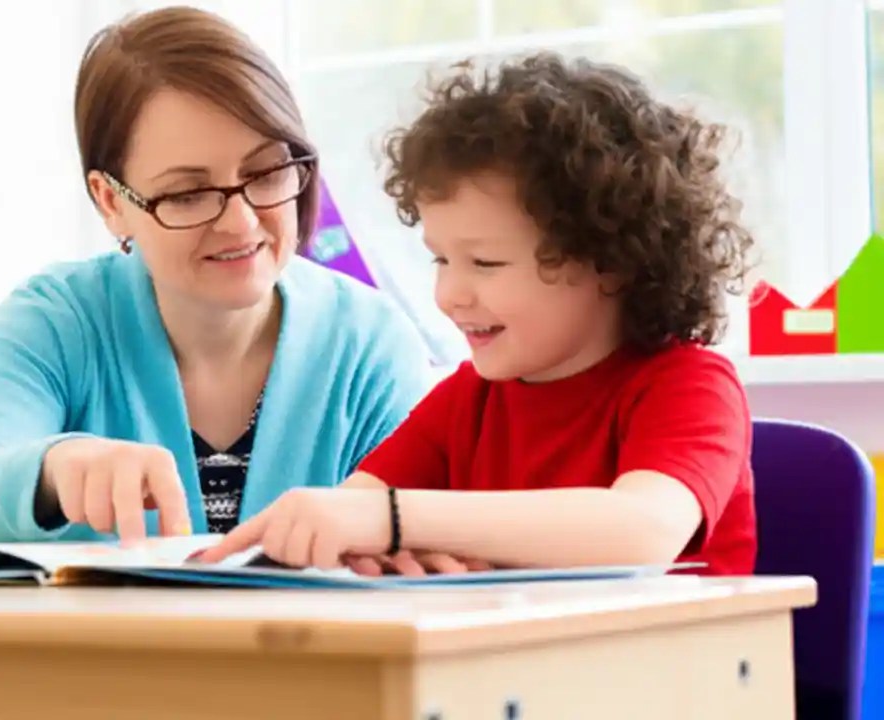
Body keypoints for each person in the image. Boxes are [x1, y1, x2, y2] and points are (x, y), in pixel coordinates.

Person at [200, 51, 757, 576]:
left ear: (611, 262)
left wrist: (392, 522)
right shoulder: (466, 401)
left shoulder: (690, 387)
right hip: (510, 674)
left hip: (669, 674)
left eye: (486, 262)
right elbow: (354, 512)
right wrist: (361, 544)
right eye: (442, 259)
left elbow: (643, 531)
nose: (448, 295)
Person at [0, 6, 431, 543]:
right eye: (187, 194)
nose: (241, 221)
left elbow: (429, 533)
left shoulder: (370, 343)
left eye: (267, 172)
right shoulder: (56, 323)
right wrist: (56, 469)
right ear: (110, 202)